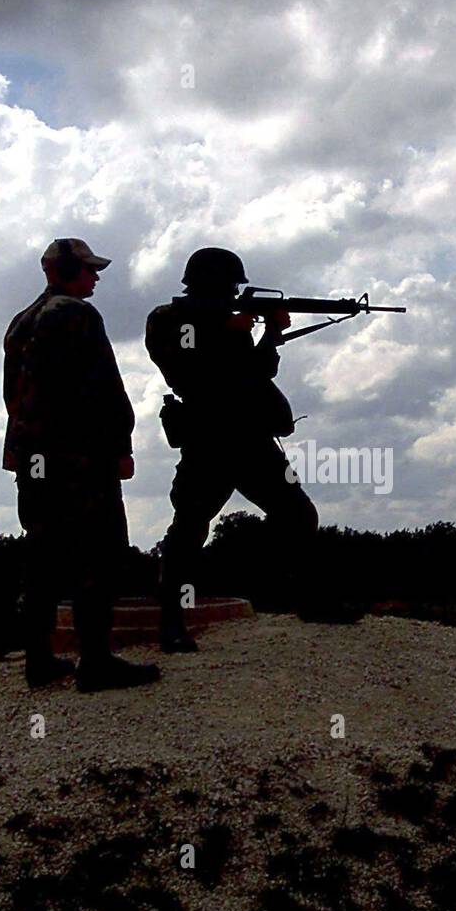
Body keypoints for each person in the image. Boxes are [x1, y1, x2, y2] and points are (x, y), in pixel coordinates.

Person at [3, 238, 160, 692]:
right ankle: (95, 662)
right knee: (99, 554)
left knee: (43, 555)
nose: (96, 277)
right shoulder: (77, 314)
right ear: (68, 270)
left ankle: (39, 659)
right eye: (89, 269)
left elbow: (13, 396)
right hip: (80, 458)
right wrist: (120, 445)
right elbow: (102, 388)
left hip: (34, 459)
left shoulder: (21, 321)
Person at [145, 247, 319, 651]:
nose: (233, 295)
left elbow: (257, 371)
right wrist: (226, 330)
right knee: (189, 529)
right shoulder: (168, 319)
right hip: (208, 437)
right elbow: (187, 370)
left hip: (250, 436)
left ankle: (311, 600)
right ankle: (171, 621)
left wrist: (270, 334)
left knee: (298, 515)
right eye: (228, 288)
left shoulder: (227, 321)